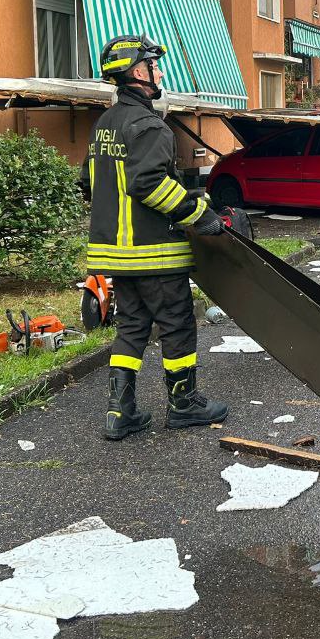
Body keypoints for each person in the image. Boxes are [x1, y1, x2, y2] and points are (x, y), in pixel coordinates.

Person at [79, 35, 228, 440]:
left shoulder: (105, 125)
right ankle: (184, 405)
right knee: (178, 326)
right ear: (138, 73)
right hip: (154, 254)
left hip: (117, 257)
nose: (159, 72)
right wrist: (199, 214)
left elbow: (88, 182)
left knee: (131, 329)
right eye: (154, 65)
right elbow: (147, 184)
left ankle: (119, 413)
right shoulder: (150, 127)